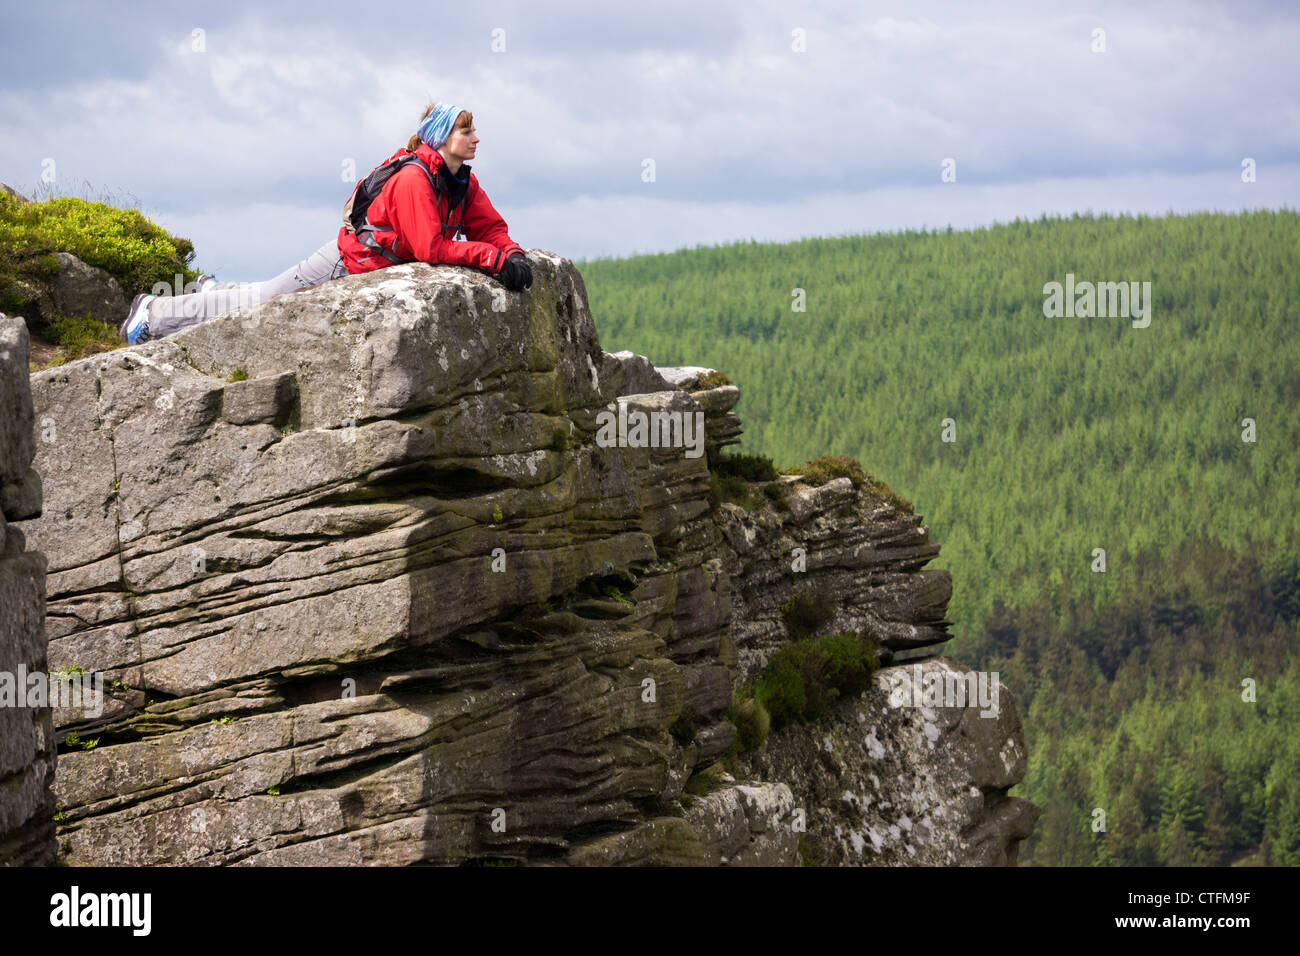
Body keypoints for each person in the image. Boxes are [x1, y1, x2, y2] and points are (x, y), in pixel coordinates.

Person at [120, 102, 532, 344]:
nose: (476, 137)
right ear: (442, 136)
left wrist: (510, 252)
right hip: (347, 263)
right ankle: (153, 314)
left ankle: (211, 290)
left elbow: (489, 228)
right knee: (261, 303)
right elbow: (430, 249)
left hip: (372, 267)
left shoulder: (461, 180)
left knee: (266, 293)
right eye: (466, 131)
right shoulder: (414, 179)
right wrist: (494, 263)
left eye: (474, 130)